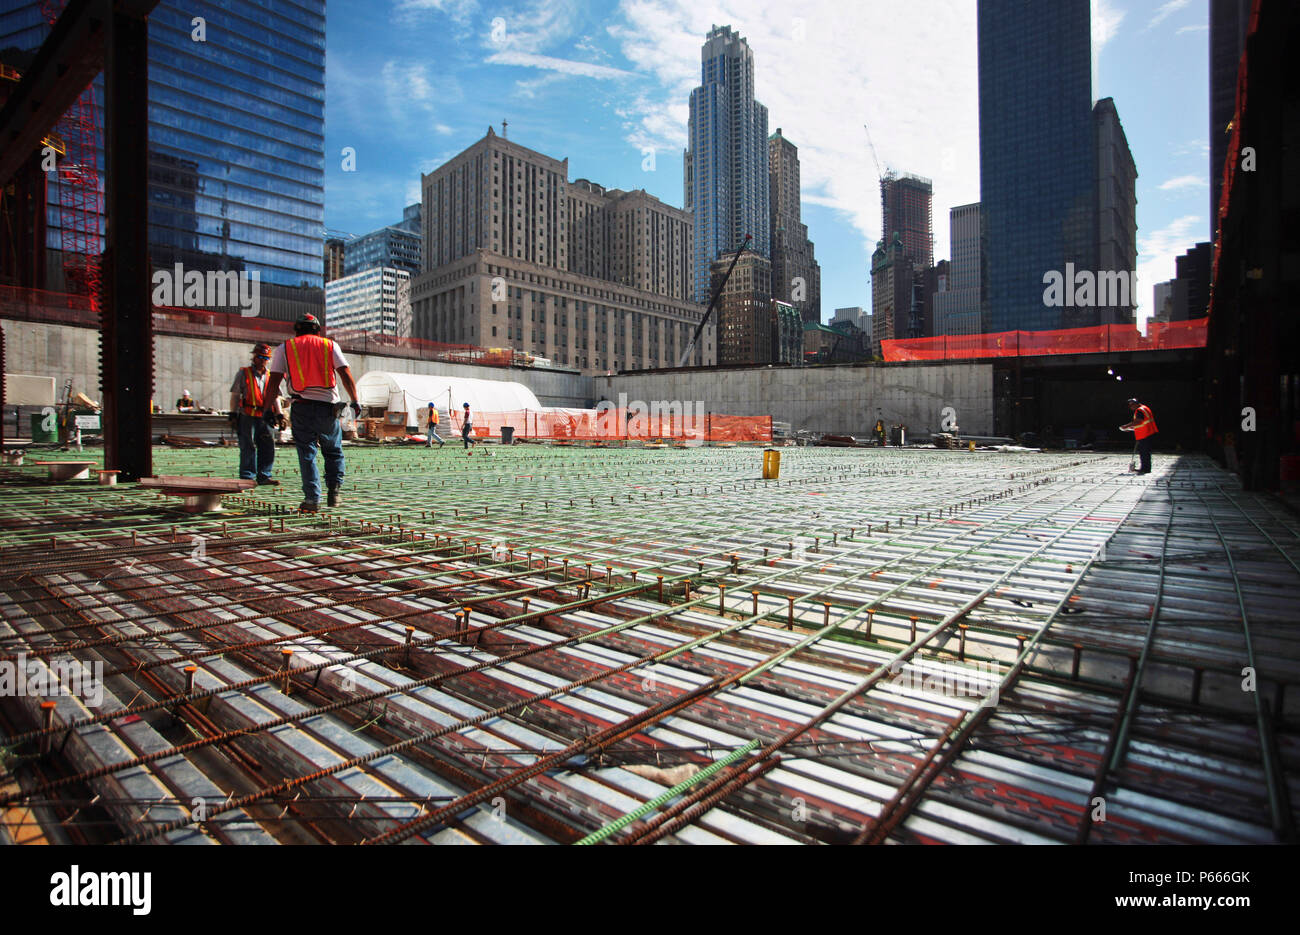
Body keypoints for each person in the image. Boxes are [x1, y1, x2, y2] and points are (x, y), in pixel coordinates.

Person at [261, 314, 362, 512]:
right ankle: (334, 492)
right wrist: (355, 400)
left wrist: (267, 409)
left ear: (297, 330)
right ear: (317, 329)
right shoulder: (329, 346)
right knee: (333, 451)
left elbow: (274, 380)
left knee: (307, 454)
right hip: (328, 408)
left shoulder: (285, 348)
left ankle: (312, 499)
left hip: (302, 407)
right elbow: (345, 373)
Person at [228, 343, 281, 486]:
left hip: (265, 416)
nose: (263, 360)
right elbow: (235, 395)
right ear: (254, 357)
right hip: (247, 415)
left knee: (267, 446)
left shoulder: (271, 376)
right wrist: (232, 414)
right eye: (260, 357)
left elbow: (275, 396)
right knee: (248, 445)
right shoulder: (243, 373)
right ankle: (247, 476)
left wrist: (279, 414)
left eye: (266, 358)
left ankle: (264, 475)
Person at [1119, 397, 1158, 474]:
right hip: (1148, 432)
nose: (1131, 407)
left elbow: (1138, 421)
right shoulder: (1145, 408)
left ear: (1137, 404)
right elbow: (1142, 423)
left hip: (1145, 434)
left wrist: (1126, 426)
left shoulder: (1139, 410)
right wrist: (1131, 428)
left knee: (1144, 452)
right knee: (1145, 452)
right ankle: (1145, 468)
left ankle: (1145, 469)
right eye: (1129, 405)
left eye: (1132, 405)